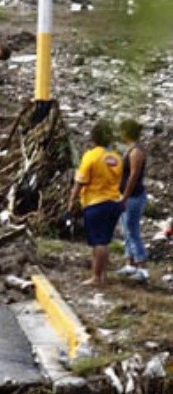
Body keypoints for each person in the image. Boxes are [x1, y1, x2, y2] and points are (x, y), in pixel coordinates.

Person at [67, 120, 123, 287]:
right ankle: (102, 275)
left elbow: (80, 181)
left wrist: (71, 200)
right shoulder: (116, 157)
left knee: (98, 242)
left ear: (94, 138)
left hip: (96, 203)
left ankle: (96, 277)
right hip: (114, 202)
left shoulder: (91, 156)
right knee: (104, 240)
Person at [117, 118, 148, 282]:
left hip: (133, 196)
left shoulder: (136, 151)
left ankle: (142, 268)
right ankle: (129, 264)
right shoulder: (130, 150)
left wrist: (125, 196)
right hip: (127, 195)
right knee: (126, 230)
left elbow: (134, 175)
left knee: (132, 230)